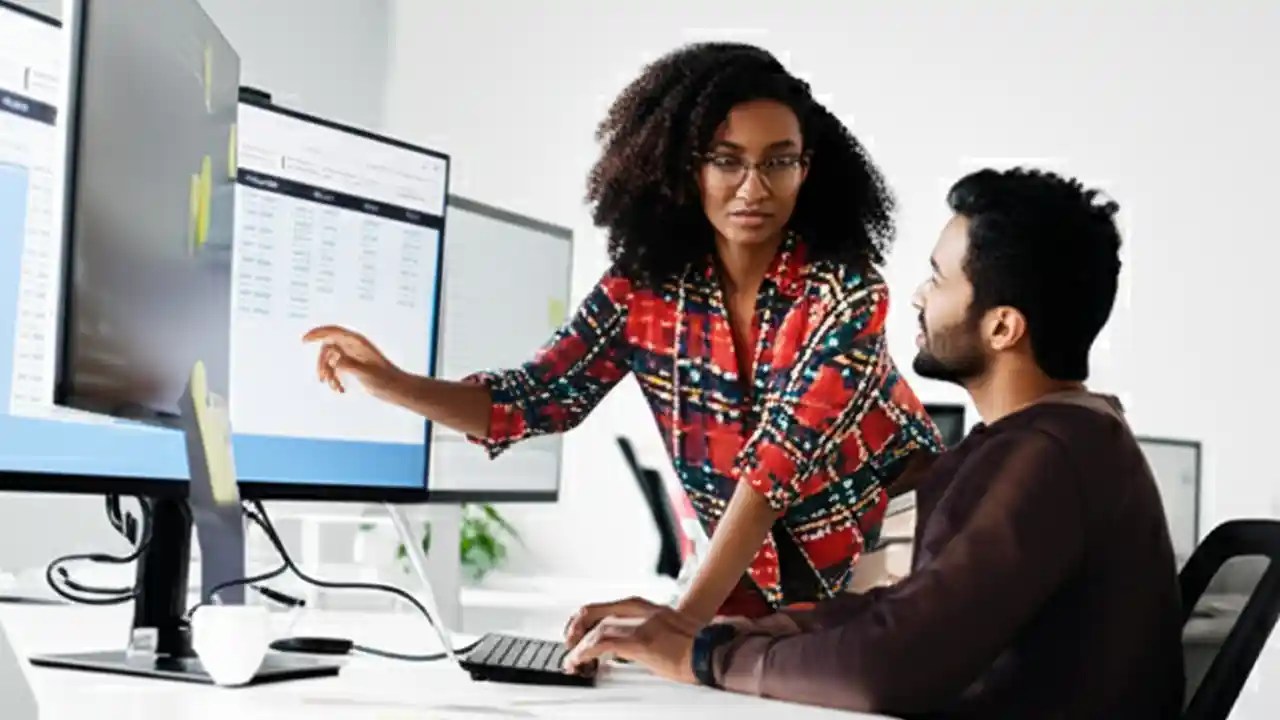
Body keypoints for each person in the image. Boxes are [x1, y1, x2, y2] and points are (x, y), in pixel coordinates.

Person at [303, 42, 942, 628]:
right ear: (682, 166)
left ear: (808, 170)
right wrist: (388, 382)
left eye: (779, 162)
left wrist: (680, 619)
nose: (754, 188)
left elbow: (780, 463)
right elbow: (531, 399)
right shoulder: (644, 290)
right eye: (726, 161)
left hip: (905, 548)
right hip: (764, 578)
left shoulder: (845, 290)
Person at [561, 167, 1187, 719]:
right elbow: (899, 613)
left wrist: (704, 657)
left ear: (1002, 326)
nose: (916, 295)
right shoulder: (1046, 439)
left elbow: (888, 667)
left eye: (937, 280)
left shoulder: (1050, 457)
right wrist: (716, 630)